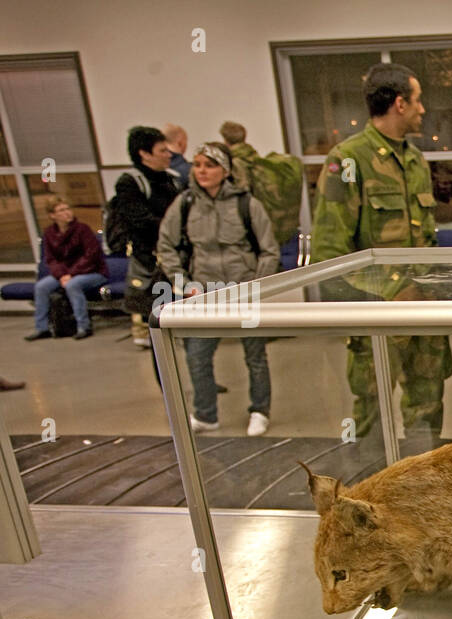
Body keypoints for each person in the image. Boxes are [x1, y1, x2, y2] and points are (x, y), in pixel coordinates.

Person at [311, 62, 452, 439]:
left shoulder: (415, 161)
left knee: (428, 407)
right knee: (370, 415)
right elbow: (330, 252)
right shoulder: (348, 162)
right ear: (400, 104)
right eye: (419, 100)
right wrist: (394, 287)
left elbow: (426, 240)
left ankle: (420, 488)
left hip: (422, 312)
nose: (423, 109)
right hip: (376, 316)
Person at [157, 143, 279, 436]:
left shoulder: (247, 204)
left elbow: (269, 250)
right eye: (197, 164)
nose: (202, 171)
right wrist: (183, 285)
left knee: (255, 356)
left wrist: (256, 286)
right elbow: (166, 246)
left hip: (243, 289)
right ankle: (205, 414)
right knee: (197, 354)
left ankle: (260, 411)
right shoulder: (185, 204)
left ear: (224, 170)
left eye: (210, 165)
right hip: (204, 293)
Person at [118, 126, 183, 348]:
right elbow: (141, 221)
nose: (169, 155)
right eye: (162, 150)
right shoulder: (130, 183)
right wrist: (174, 229)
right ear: (144, 154)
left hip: (177, 260)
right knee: (160, 331)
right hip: (150, 263)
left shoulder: (172, 180)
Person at [24, 196, 107, 341]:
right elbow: (51, 260)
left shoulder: (83, 230)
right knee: (41, 287)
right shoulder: (49, 234)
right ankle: (42, 328)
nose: (67, 212)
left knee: (72, 285)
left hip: (92, 272)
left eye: (68, 209)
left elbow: (91, 256)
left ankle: (83, 326)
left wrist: (71, 274)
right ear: (52, 216)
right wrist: (62, 274)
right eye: (61, 210)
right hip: (65, 274)